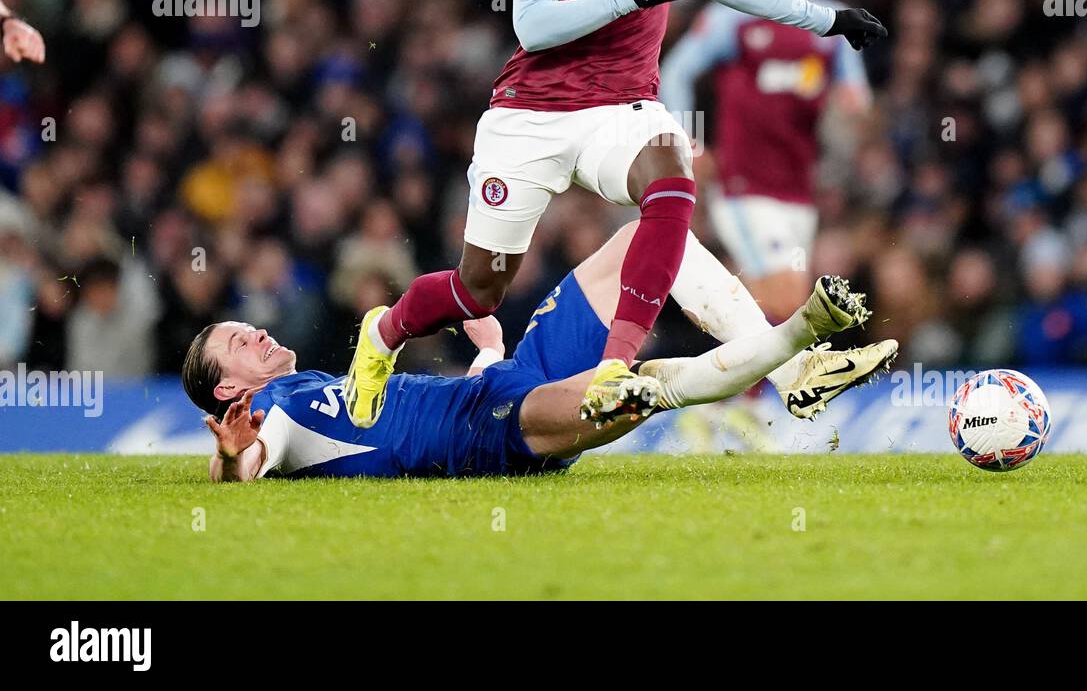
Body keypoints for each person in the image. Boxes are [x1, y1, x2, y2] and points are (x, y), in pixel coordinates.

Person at [350, 0, 888, 429]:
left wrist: (826, 21)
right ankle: (384, 333)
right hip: (532, 115)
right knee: (479, 288)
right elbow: (534, 23)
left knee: (671, 179)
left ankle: (616, 368)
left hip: (622, 108)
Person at [186, 222, 899, 481]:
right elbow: (246, 468)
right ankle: (797, 336)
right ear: (228, 393)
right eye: (233, 344)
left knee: (646, 241)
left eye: (239, 327)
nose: (250, 332)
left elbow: (399, 412)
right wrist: (228, 455)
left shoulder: (313, 383)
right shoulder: (272, 412)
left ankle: (793, 374)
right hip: (492, 434)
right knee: (636, 381)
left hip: (504, 380)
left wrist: (488, 352)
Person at [661, 0, 870, 343]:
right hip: (745, 185)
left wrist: (854, 108)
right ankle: (764, 399)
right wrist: (690, 142)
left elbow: (858, 97)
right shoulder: (735, 15)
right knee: (790, 297)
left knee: (763, 303)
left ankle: (739, 403)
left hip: (799, 188)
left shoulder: (832, 24)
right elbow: (676, 73)